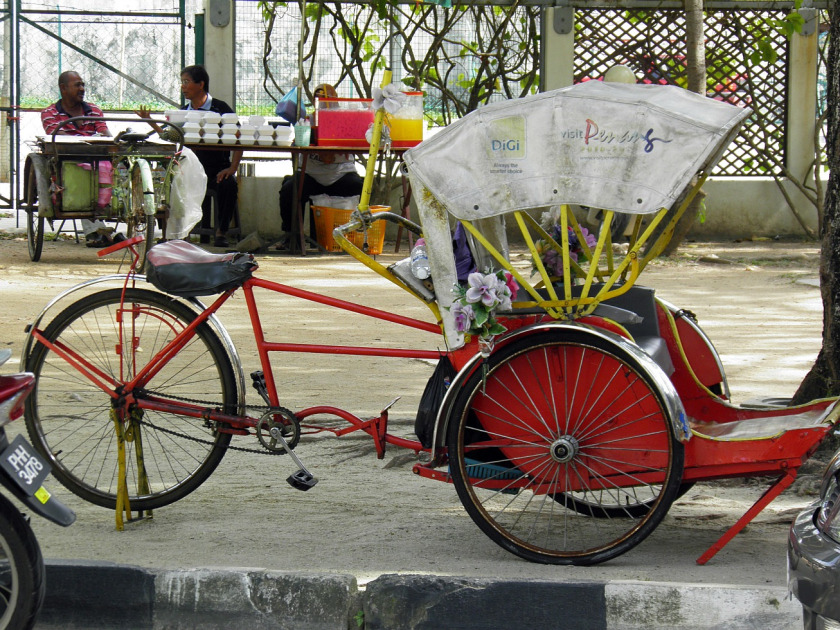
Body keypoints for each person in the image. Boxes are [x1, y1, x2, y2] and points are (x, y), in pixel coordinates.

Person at [277, 83, 364, 249]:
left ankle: (356, 235)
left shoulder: (345, 121)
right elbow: (299, 145)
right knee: (289, 189)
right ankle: (291, 237)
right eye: (318, 98)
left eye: (326, 98)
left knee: (360, 188)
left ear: (335, 100)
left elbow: (353, 143)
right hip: (311, 174)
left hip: (340, 174)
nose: (322, 102)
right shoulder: (307, 122)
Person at [41, 71, 118, 248]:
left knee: (114, 167)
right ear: (63, 88)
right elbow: (61, 139)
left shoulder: (94, 110)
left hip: (96, 160)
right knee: (79, 172)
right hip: (68, 162)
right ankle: (96, 230)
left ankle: (101, 227)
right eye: (77, 85)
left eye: (83, 85)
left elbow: (105, 133)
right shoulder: (50, 113)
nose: (82, 89)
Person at [178, 65, 242, 248]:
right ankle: (178, 233)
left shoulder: (221, 109)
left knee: (228, 184)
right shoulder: (182, 112)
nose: (183, 87)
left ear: (201, 84)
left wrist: (232, 168)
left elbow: (240, 137)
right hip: (191, 170)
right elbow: (170, 136)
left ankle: (221, 232)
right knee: (172, 184)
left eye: (186, 82)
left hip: (217, 170)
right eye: (182, 82)